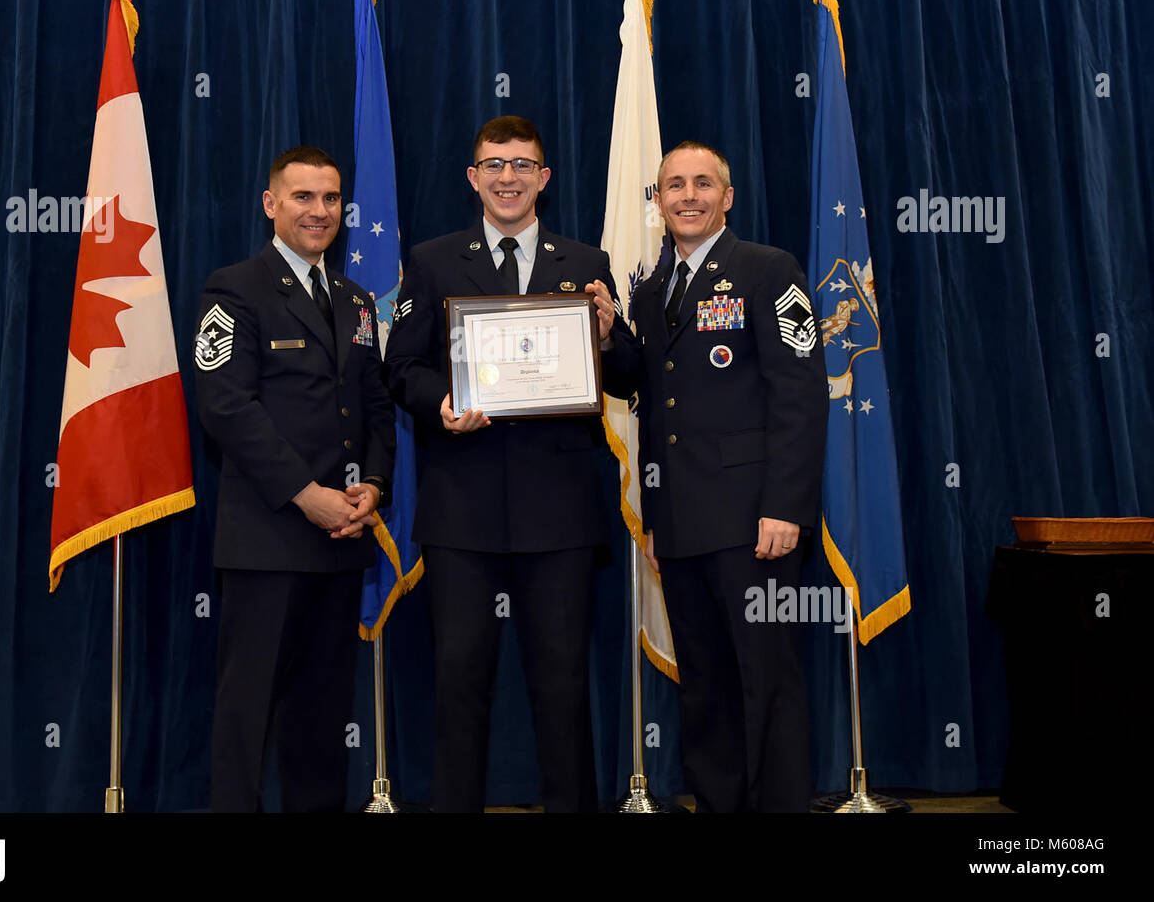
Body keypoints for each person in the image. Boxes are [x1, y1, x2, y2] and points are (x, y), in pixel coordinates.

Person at [382, 115, 638, 812]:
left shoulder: (585, 264)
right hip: (461, 511)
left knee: (562, 686)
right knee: (458, 680)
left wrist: (610, 336)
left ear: (543, 179)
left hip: (558, 514)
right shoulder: (433, 261)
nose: (507, 177)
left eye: (522, 165)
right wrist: (441, 404)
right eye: (494, 164)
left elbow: (628, 375)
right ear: (473, 177)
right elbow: (400, 366)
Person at [193, 146, 395, 812]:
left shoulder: (355, 298)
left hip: (340, 540)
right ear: (270, 203)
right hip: (268, 539)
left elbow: (372, 405)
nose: (319, 211)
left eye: (331, 198)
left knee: (320, 719)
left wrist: (373, 484)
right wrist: (307, 496)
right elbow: (225, 406)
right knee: (246, 717)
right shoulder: (235, 288)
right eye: (303, 197)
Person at [633, 141, 828, 812]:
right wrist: (655, 520)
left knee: (764, 679)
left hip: (755, 523)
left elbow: (800, 395)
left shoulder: (769, 270)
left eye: (702, 183)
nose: (688, 195)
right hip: (683, 525)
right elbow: (658, 406)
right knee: (706, 685)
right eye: (674, 185)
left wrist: (785, 506)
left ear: (728, 196)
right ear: (657, 200)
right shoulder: (654, 289)